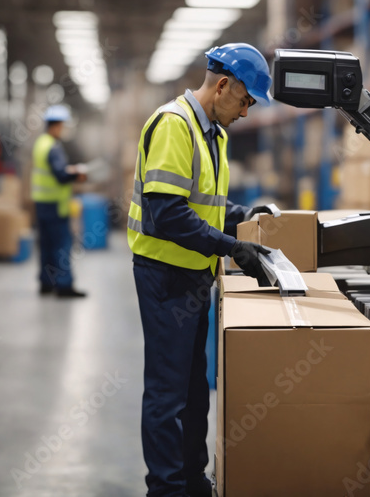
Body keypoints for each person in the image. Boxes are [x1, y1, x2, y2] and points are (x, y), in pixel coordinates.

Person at [127, 43, 276, 497]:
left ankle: (192, 480)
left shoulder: (214, 133)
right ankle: (166, 489)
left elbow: (205, 206)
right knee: (168, 393)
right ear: (223, 85)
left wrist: (243, 215)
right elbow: (166, 214)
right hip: (165, 276)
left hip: (194, 276)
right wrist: (234, 248)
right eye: (247, 100)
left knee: (194, 391)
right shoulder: (175, 125)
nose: (247, 112)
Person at [31, 104, 88, 298]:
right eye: (62, 125)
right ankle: (64, 286)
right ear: (56, 126)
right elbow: (60, 175)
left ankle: (46, 284)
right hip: (56, 204)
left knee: (46, 245)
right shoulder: (53, 147)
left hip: (41, 202)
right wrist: (76, 175)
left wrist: (68, 171)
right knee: (61, 245)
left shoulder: (41, 143)